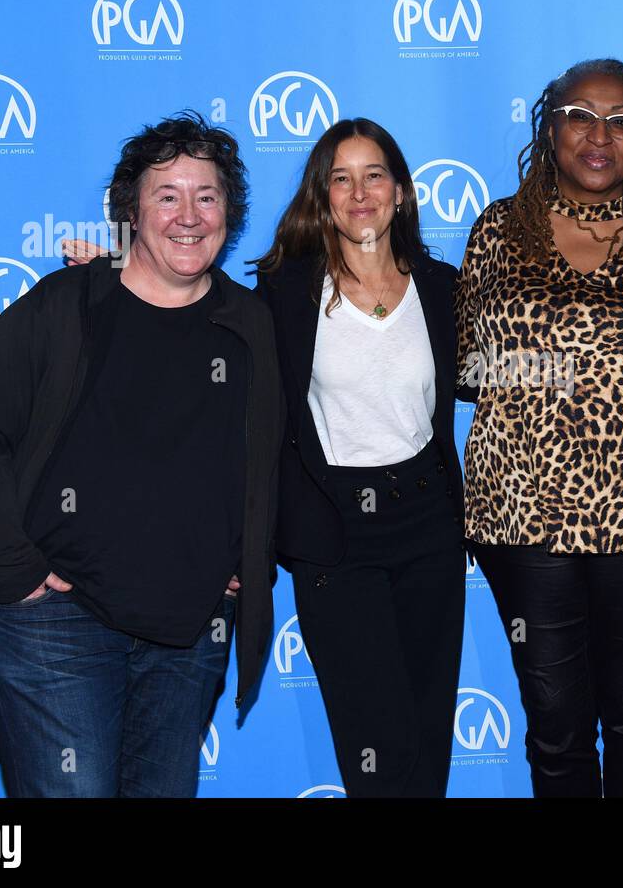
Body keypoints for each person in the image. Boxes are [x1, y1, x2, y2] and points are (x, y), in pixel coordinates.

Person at [0, 112, 286, 797]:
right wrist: (14, 572)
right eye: (167, 195)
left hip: (189, 628)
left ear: (229, 211)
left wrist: (247, 558)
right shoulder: (67, 305)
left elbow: (269, 453)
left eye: (206, 195)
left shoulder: (250, 325)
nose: (188, 215)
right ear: (133, 212)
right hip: (55, 624)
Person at [455, 58, 623, 797]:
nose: (598, 135)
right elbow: (463, 369)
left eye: (621, 120)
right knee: (555, 725)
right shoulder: (498, 233)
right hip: (523, 518)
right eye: (580, 115)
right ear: (550, 130)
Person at [254, 118, 465, 797]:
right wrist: (108, 274)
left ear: (400, 192)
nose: (359, 192)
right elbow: (201, 334)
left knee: (428, 730)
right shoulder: (285, 291)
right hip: (335, 534)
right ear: (323, 197)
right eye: (340, 178)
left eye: (374, 174)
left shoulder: (442, 287)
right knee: (374, 737)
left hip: (430, 523)